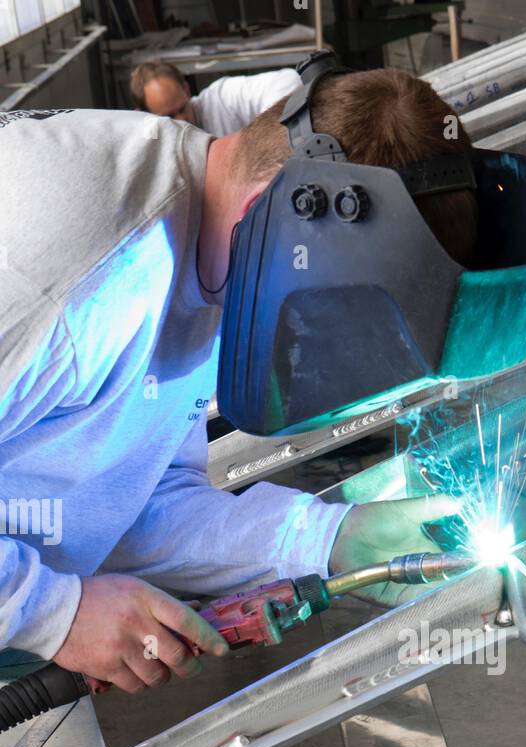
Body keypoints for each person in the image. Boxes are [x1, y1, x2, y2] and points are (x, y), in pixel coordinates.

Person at [0, 69, 478, 695]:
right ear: (277, 220)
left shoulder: (213, 251)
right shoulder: (74, 268)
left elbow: (139, 504)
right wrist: (49, 612)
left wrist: (332, 538)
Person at [129, 59, 301, 137]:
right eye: (170, 117)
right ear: (146, 116)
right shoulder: (158, 150)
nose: (183, 120)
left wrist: (257, 138)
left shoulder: (220, 98)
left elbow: (289, 80)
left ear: (186, 89)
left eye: (182, 108)